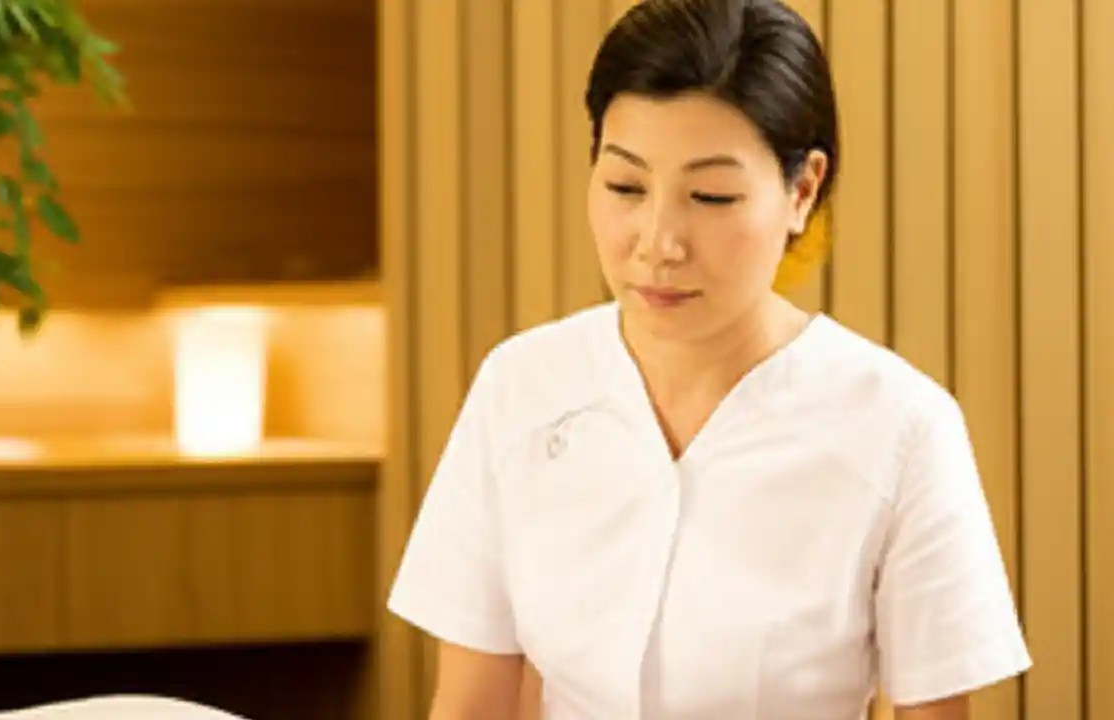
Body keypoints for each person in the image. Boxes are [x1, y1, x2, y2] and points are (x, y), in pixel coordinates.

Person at [386, 0, 1032, 717]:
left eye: (711, 196)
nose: (658, 243)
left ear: (802, 190)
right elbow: (471, 704)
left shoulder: (900, 427)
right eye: (625, 187)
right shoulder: (521, 386)